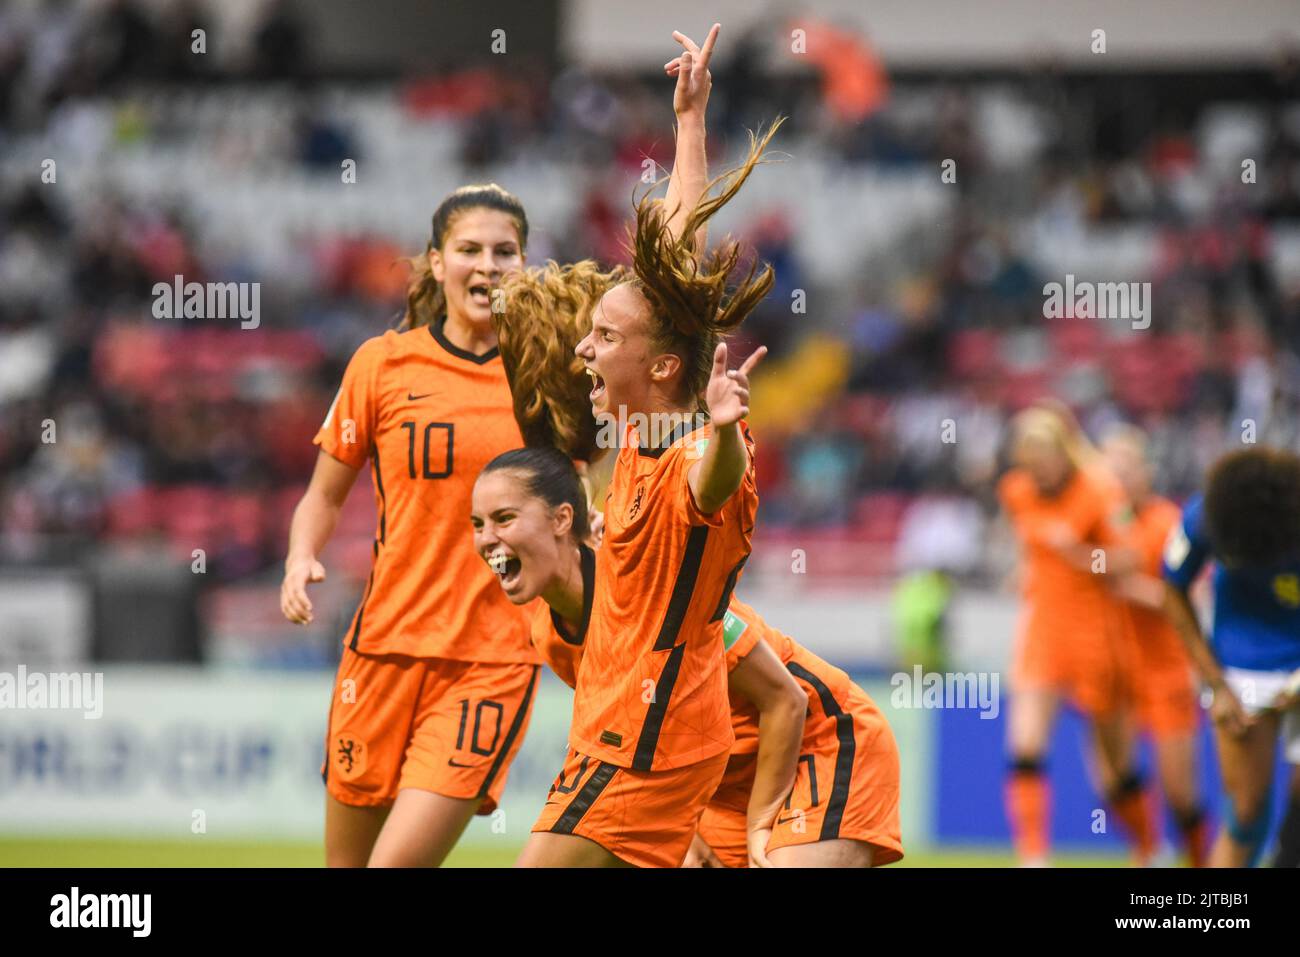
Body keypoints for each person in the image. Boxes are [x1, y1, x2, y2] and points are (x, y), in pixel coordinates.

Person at [278, 24, 717, 867]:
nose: (487, 265)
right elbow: (323, 493)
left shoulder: (556, 364)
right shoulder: (382, 363)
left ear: (525, 261)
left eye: (505, 251)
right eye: (470, 250)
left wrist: (688, 125)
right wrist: (302, 557)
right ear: (435, 262)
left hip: (492, 657)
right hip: (380, 647)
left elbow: (670, 282)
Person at [470, 446, 903, 867]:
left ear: (562, 519)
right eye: (477, 524)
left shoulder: (651, 585)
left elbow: (787, 700)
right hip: (724, 786)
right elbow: (641, 734)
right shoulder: (549, 635)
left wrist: (759, 826)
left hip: (821, 741)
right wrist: (689, 832)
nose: (487, 539)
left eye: (504, 519)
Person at [998, 407, 1155, 865]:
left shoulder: (1100, 490)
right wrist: (1026, 572)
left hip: (1094, 633)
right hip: (1044, 629)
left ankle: (1148, 848)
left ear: (1064, 454)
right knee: (1025, 745)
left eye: (1043, 462)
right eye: (1029, 464)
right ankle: (1033, 857)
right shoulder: (1016, 491)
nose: (1037, 474)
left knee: (1113, 770)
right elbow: (1029, 546)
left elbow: (1129, 558)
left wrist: (1083, 556)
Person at [1162, 446, 1300, 867]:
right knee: (1246, 817)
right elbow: (1172, 588)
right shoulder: (1203, 518)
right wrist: (1216, 685)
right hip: (1241, 673)